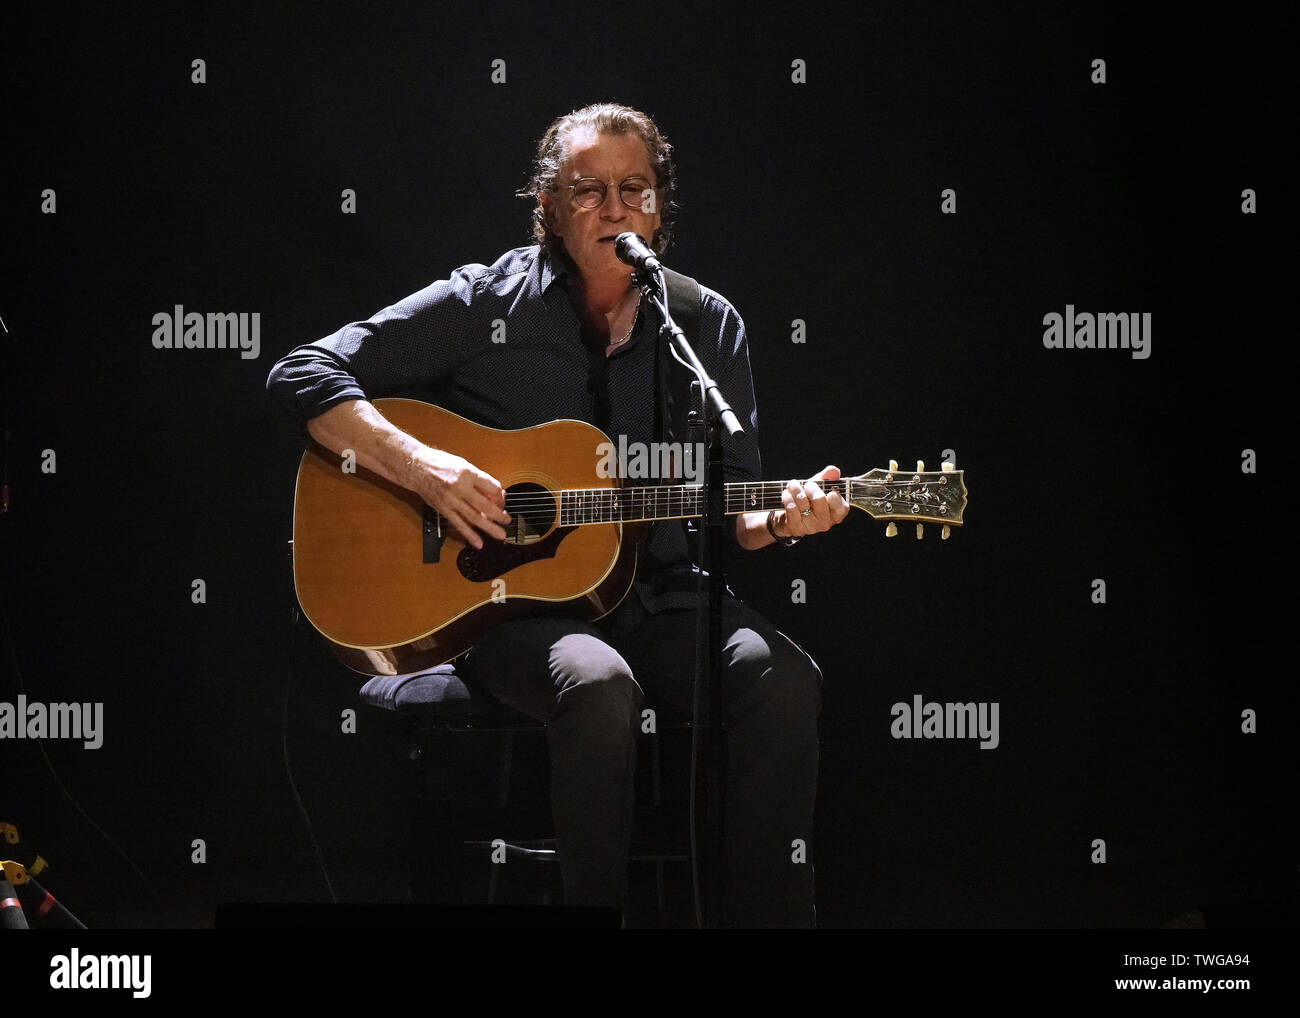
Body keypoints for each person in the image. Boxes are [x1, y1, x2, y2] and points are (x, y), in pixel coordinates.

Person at [266, 102, 849, 926]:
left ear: (661, 205)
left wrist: (786, 519)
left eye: (635, 189)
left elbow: (739, 510)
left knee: (782, 679)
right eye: (588, 191)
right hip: (510, 609)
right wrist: (427, 469)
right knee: (598, 683)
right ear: (545, 205)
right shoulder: (483, 304)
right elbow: (303, 374)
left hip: (666, 598)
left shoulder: (704, 324)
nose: (616, 209)